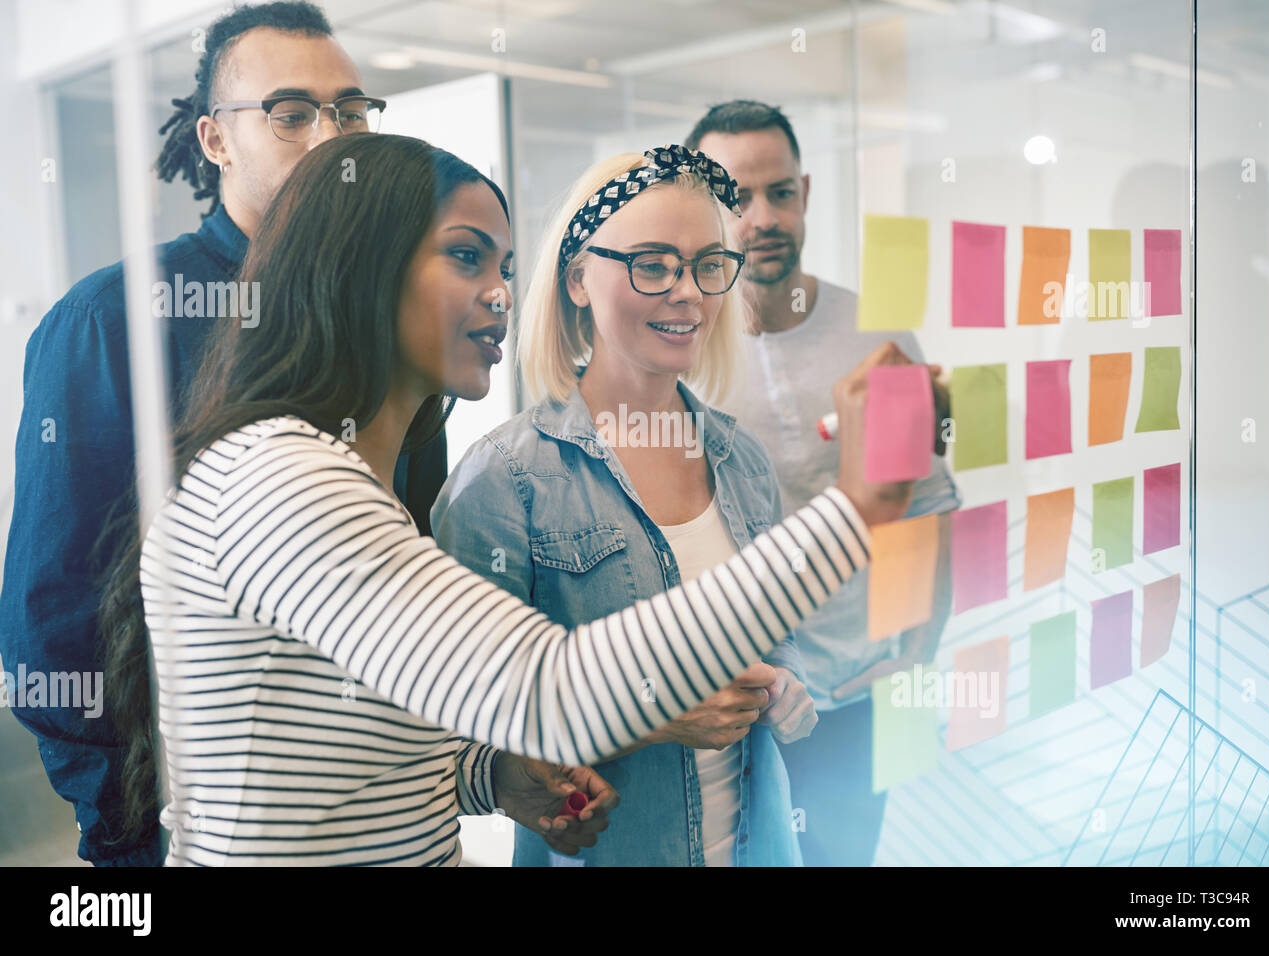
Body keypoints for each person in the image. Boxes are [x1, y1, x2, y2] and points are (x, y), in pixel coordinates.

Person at [102, 132, 912, 865]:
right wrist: (857, 506)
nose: (498, 293)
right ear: (356, 269)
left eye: (503, 268)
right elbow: (543, 691)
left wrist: (497, 778)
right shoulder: (283, 482)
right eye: (465, 258)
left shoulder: (346, 483)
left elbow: (384, 745)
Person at [0, 2, 443, 867]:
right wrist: (131, 827)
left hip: (383, 815)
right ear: (215, 140)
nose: (331, 138)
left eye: (352, 113)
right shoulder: (111, 320)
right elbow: (51, 619)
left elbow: (415, 553)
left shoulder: (392, 319)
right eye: (290, 113)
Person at [431, 146, 818, 867]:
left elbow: (779, 632)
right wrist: (647, 714)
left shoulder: (743, 462)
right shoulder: (505, 482)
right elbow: (458, 735)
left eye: (707, 265)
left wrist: (788, 681)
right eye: (651, 263)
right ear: (579, 278)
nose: (688, 293)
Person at [686, 101, 961, 866]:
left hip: (858, 687)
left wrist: (916, 657)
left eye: (780, 192)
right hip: (734, 702)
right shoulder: (679, 350)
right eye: (735, 199)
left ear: (805, 191)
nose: (762, 218)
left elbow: (926, 504)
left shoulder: (877, 335)